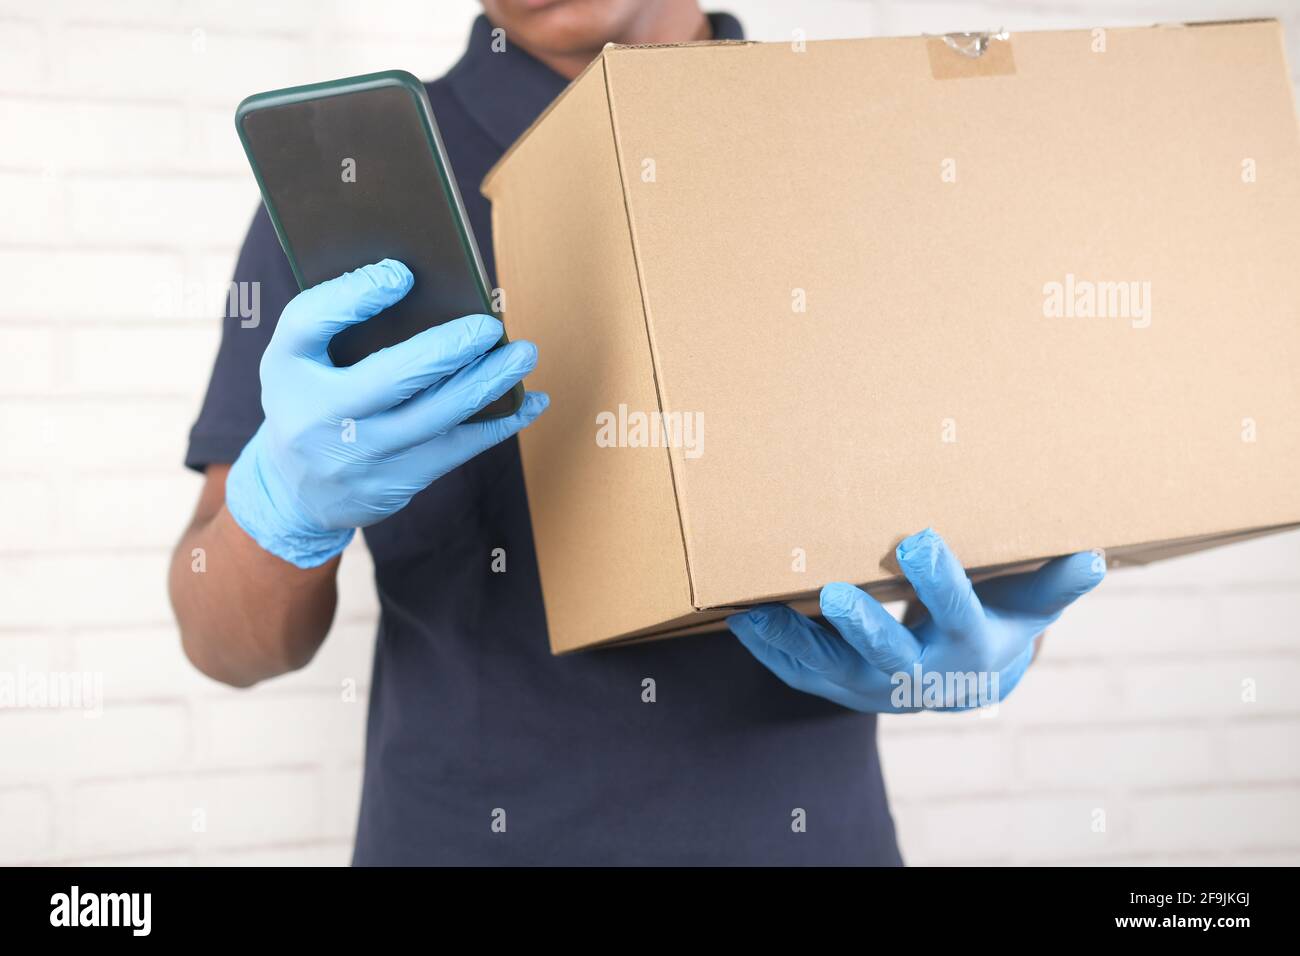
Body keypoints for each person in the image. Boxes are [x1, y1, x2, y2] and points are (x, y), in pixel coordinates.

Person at [169, 0, 1103, 865]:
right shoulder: (359, 185)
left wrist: (986, 639)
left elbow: (982, 502)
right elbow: (224, 643)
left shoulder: (864, 131)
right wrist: (282, 508)